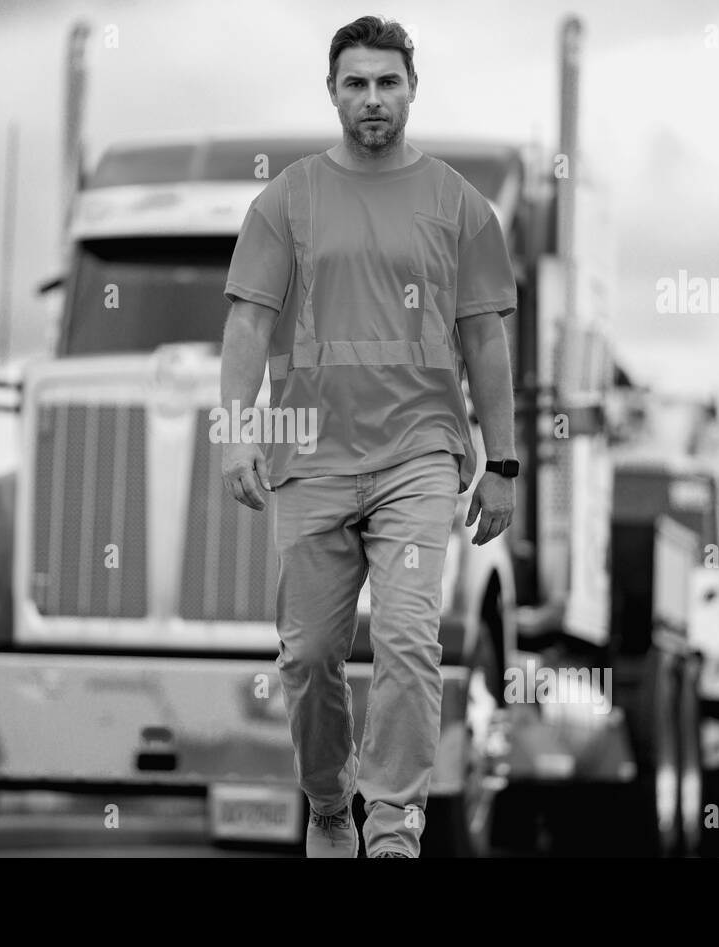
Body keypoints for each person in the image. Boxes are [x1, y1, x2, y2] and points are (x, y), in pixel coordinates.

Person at [218, 14, 519, 858]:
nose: (373, 98)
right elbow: (248, 323)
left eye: (388, 82)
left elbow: (486, 339)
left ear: (413, 89)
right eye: (356, 83)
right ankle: (325, 802)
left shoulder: (460, 206)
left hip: (420, 456)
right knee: (311, 653)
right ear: (332, 92)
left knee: (408, 636)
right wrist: (235, 434)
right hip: (310, 456)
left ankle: (392, 828)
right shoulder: (287, 201)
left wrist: (501, 462)